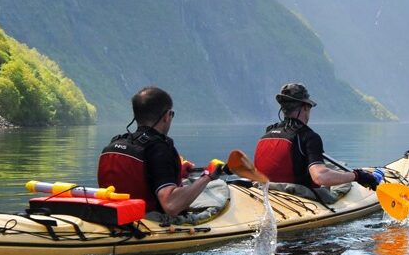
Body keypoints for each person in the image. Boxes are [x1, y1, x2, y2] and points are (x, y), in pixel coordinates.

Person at [97, 86, 222, 216]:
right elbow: (170, 205)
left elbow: (143, 174)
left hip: (115, 217)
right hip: (150, 224)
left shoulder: (114, 144)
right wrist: (208, 176)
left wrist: (176, 171)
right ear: (167, 116)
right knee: (221, 188)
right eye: (171, 114)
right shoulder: (159, 149)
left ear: (136, 115)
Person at [254, 83, 383, 194]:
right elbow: (320, 177)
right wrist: (357, 176)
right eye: (309, 107)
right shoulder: (309, 137)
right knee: (339, 179)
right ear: (305, 107)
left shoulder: (268, 132)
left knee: (328, 165)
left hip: (268, 191)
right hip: (299, 196)